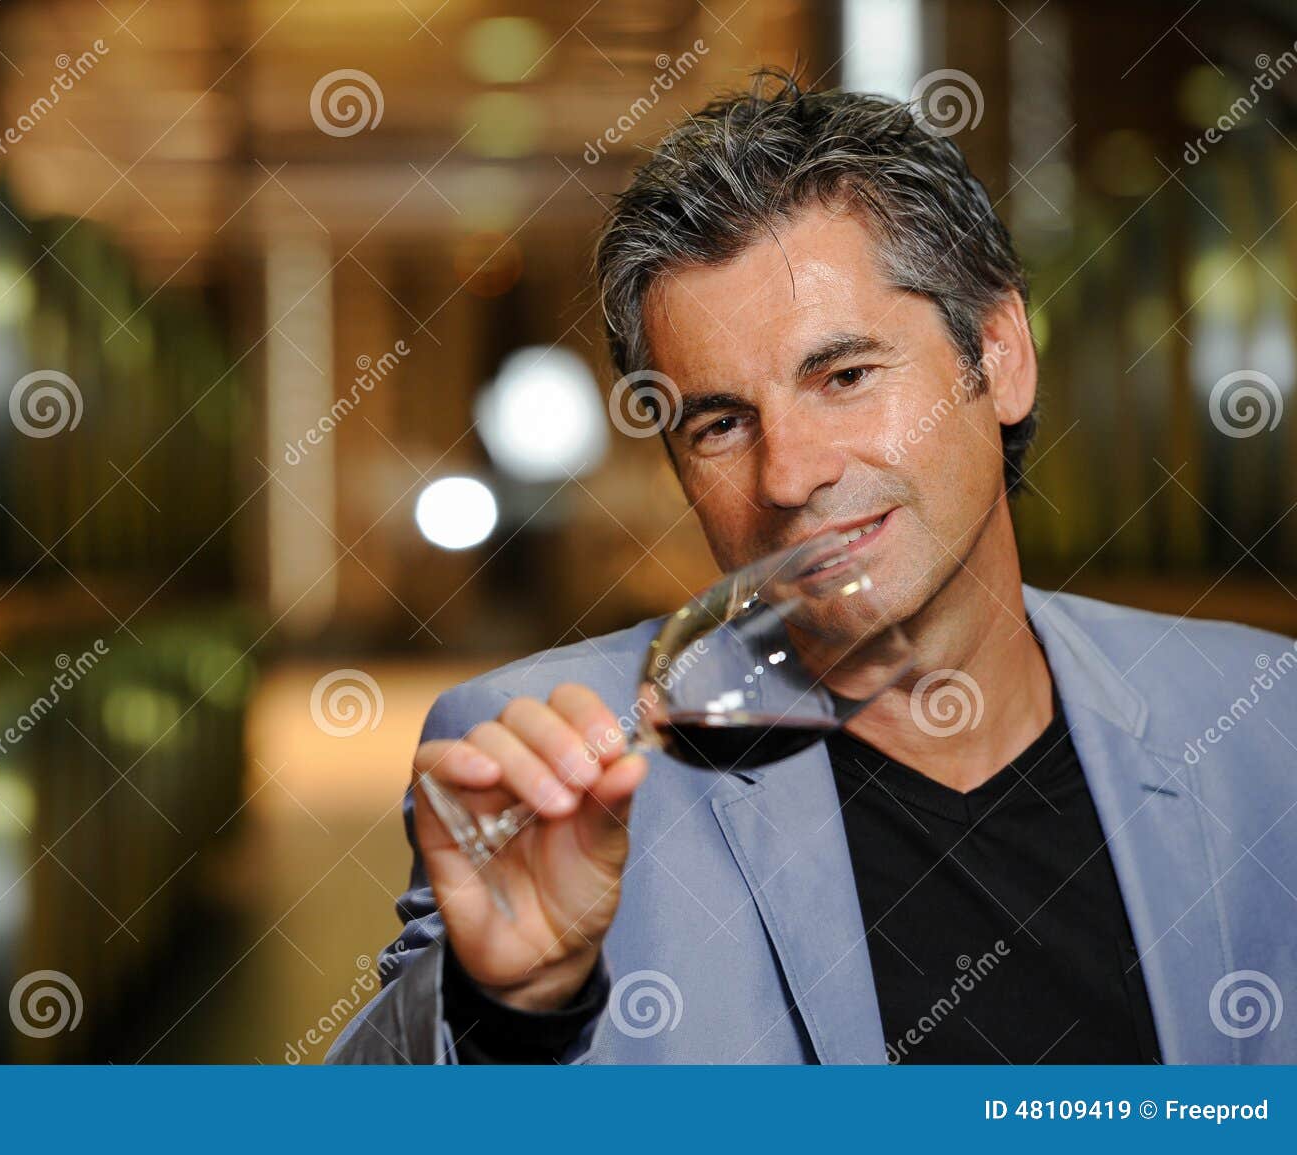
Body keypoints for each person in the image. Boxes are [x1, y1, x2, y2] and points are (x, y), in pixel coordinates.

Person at [326, 70, 1297, 1065]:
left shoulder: (1260, 721)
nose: (788, 475)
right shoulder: (558, 761)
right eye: (720, 423)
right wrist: (507, 1011)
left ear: (999, 355)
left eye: (844, 376)